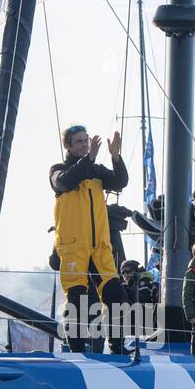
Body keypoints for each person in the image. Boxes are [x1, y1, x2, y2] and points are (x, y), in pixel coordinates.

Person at [50, 124, 131, 354]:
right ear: (68, 146)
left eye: (86, 140)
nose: (85, 145)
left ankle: (117, 348)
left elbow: (120, 182)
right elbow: (65, 181)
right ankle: (76, 351)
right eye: (79, 142)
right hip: (74, 247)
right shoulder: (58, 170)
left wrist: (116, 157)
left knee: (117, 294)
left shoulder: (96, 171)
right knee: (77, 301)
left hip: (99, 248)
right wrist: (90, 158)